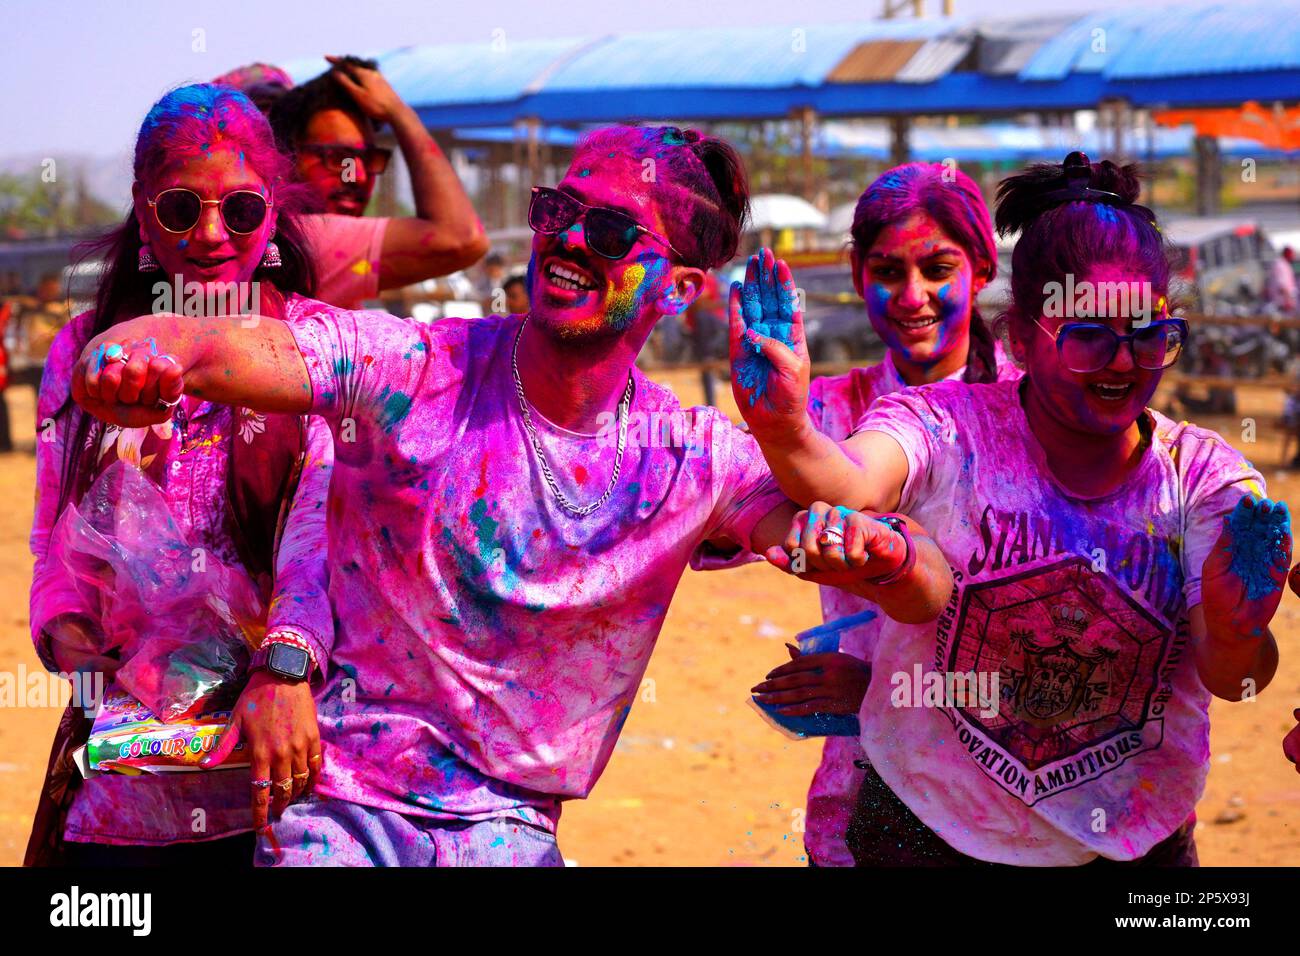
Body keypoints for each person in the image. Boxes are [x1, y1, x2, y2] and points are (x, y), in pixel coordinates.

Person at [67, 124, 955, 867]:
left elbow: (917, 587)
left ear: (681, 289)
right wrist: (146, 352)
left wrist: (879, 545)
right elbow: (227, 345)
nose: (568, 241)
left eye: (611, 234)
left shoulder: (693, 457)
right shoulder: (419, 369)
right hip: (342, 809)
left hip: (512, 831)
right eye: (557, 212)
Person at [735, 152, 1291, 866]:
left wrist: (1240, 627)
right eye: (1088, 336)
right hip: (928, 834)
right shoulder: (951, 428)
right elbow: (850, 483)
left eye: (1147, 337)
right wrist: (785, 428)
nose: (1122, 364)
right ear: (1022, 339)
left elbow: (1237, 677)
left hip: (1132, 848)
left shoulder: (1206, 481)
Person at [25, 84, 333, 866]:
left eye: (238, 210)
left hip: (278, 765)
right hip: (130, 777)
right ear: (139, 207)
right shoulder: (80, 351)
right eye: (177, 207)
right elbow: (51, 540)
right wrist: (61, 632)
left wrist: (286, 661)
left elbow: (319, 538)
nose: (208, 235)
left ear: (274, 208)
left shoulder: (316, 348)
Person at [746, 162, 1019, 867]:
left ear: (983, 269)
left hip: (1019, 806)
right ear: (856, 274)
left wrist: (884, 689)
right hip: (863, 810)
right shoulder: (821, 418)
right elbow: (710, 515)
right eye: (887, 272)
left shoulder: (1036, 420)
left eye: (937, 268)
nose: (912, 295)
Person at [266, 56, 488, 309]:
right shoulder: (308, 239)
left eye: (370, 159)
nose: (358, 175)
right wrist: (399, 113)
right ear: (284, 158)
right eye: (338, 158)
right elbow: (463, 239)